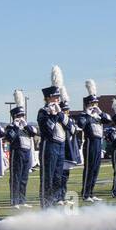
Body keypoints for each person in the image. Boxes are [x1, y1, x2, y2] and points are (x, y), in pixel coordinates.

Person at [37, 67, 71, 207]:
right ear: (47, 98)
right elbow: (48, 130)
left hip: (61, 146)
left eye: (58, 97)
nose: (57, 100)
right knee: (48, 177)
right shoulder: (43, 112)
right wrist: (53, 115)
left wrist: (60, 115)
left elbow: (72, 128)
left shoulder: (60, 112)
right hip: (49, 146)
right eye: (55, 97)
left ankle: (56, 200)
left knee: (58, 177)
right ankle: (46, 205)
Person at [4, 90, 36, 208]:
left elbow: (33, 133)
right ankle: (14, 201)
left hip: (27, 154)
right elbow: (9, 137)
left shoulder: (26, 127)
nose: (21, 117)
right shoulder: (11, 127)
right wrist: (16, 126)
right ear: (14, 117)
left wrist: (25, 124)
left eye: (23, 115)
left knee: (24, 178)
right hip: (17, 153)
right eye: (19, 116)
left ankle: (22, 200)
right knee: (16, 177)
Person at [79, 80, 109, 202]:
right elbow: (81, 124)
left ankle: (91, 192)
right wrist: (88, 114)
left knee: (96, 169)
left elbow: (108, 120)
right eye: (93, 103)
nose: (95, 105)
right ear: (88, 104)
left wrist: (100, 113)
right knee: (89, 169)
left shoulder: (98, 116)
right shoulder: (84, 115)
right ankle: (85, 193)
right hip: (90, 143)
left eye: (96, 103)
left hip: (98, 144)